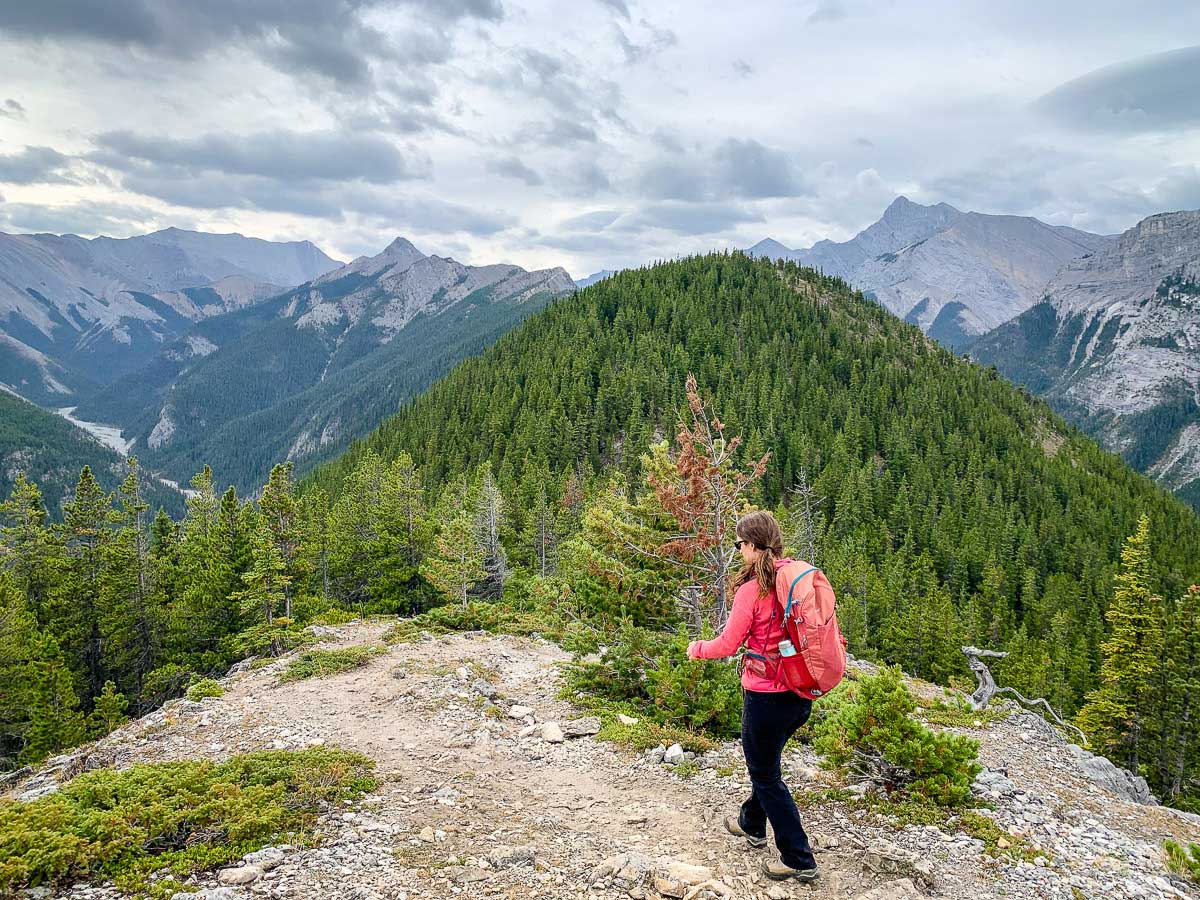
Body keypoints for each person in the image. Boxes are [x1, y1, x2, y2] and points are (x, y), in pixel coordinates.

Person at [686, 510, 819, 883]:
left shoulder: (752, 590)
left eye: (740, 544)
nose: (738, 550)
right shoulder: (793, 580)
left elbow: (728, 644)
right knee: (766, 767)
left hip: (766, 699)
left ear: (753, 545)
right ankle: (752, 823)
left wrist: (697, 648)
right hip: (799, 694)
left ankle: (798, 857)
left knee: (766, 776)